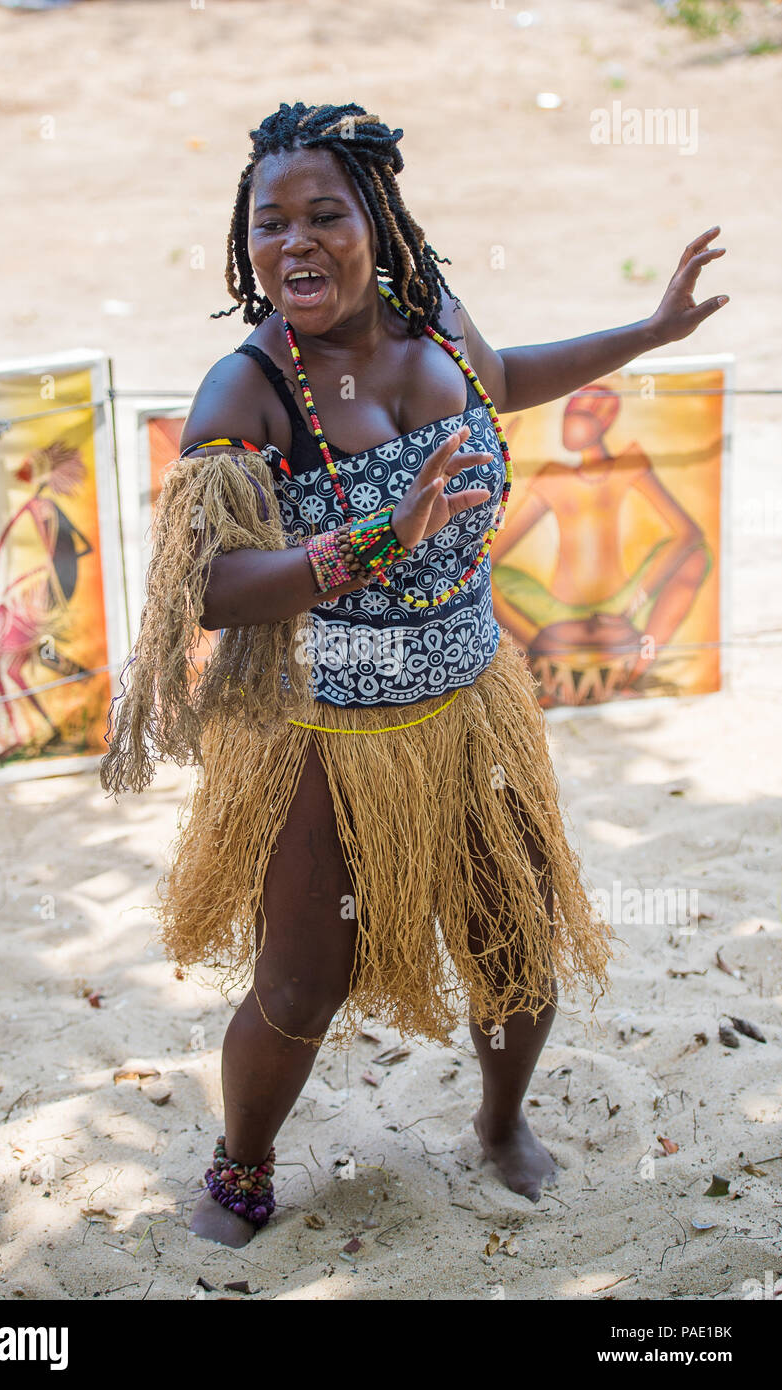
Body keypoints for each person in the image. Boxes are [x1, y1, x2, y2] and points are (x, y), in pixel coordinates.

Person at [100, 101, 727, 1248]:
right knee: (302, 983)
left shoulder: (429, 313)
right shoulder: (248, 391)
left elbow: (503, 375)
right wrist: (373, 542)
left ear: (378, 225)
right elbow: (210, 586)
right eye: (268, 223)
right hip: (322, 731)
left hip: (469, 705)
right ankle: (242, 1165)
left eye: (323, 214)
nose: (294, 242)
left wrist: (644, 334)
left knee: (514, 940)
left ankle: (497, 1125)